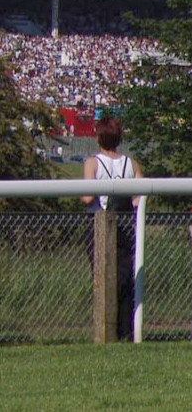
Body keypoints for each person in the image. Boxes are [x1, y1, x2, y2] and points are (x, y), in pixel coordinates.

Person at [79, 118, 141, 341]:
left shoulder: (92, 163)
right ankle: (126, 330)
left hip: (99, 226)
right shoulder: (130, 164)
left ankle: (106, 330)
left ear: (99, 138)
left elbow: (87, 197)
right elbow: (139, 198)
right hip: (125, 227)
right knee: (125, 280)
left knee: (102, 279)